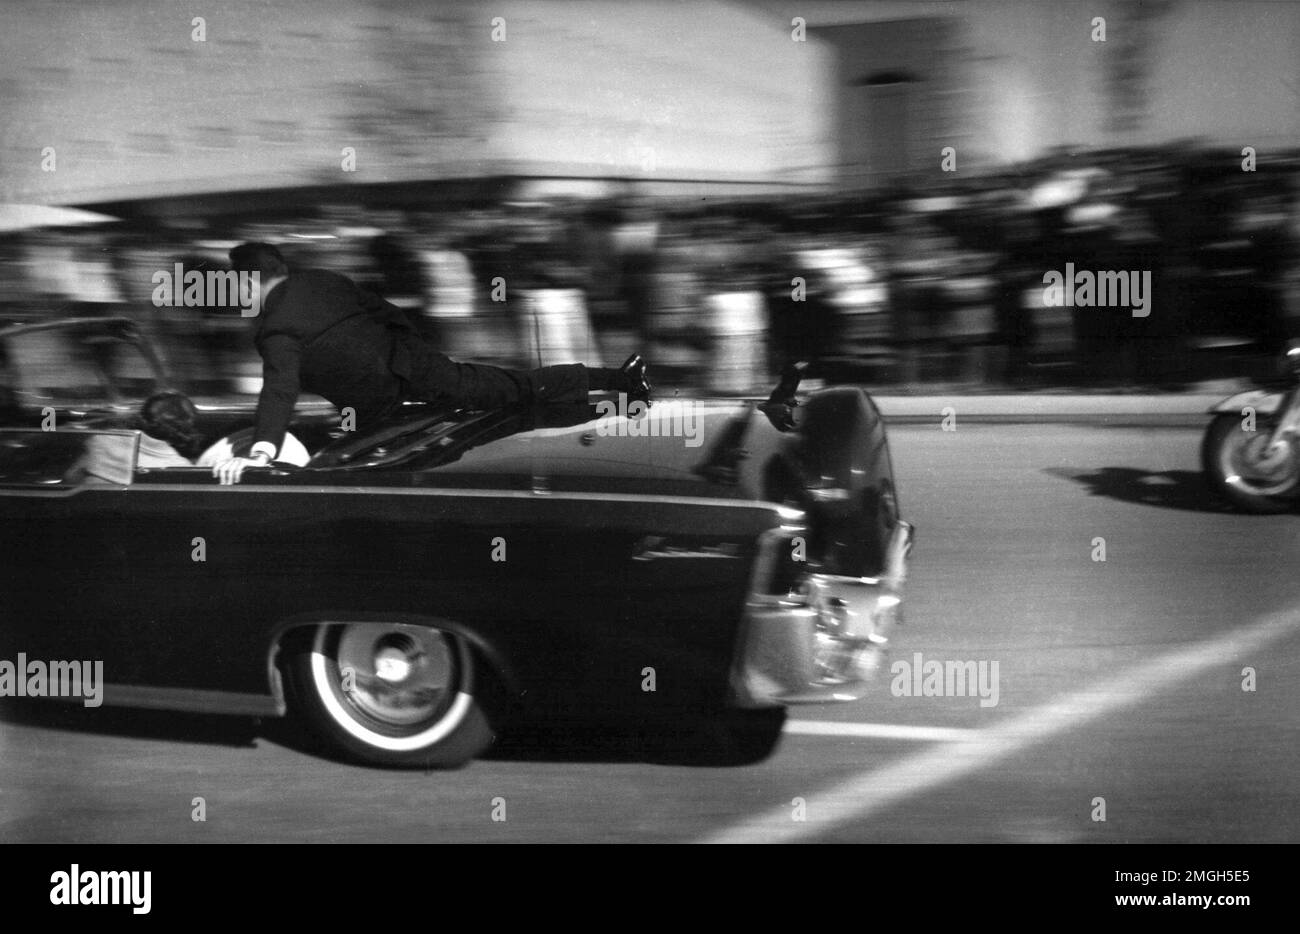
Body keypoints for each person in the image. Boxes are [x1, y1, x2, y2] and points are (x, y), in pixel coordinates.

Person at [215, 242, 650, 484]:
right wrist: (412, 355)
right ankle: (616, 382)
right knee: (513, 388)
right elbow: (385, 311)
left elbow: (280, 389)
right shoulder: (323, 280)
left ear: (253, 279)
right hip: (415, 371)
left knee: (510, 396)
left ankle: (613, 391)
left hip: (382, 409)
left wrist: (260, 451)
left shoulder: (273, 329)